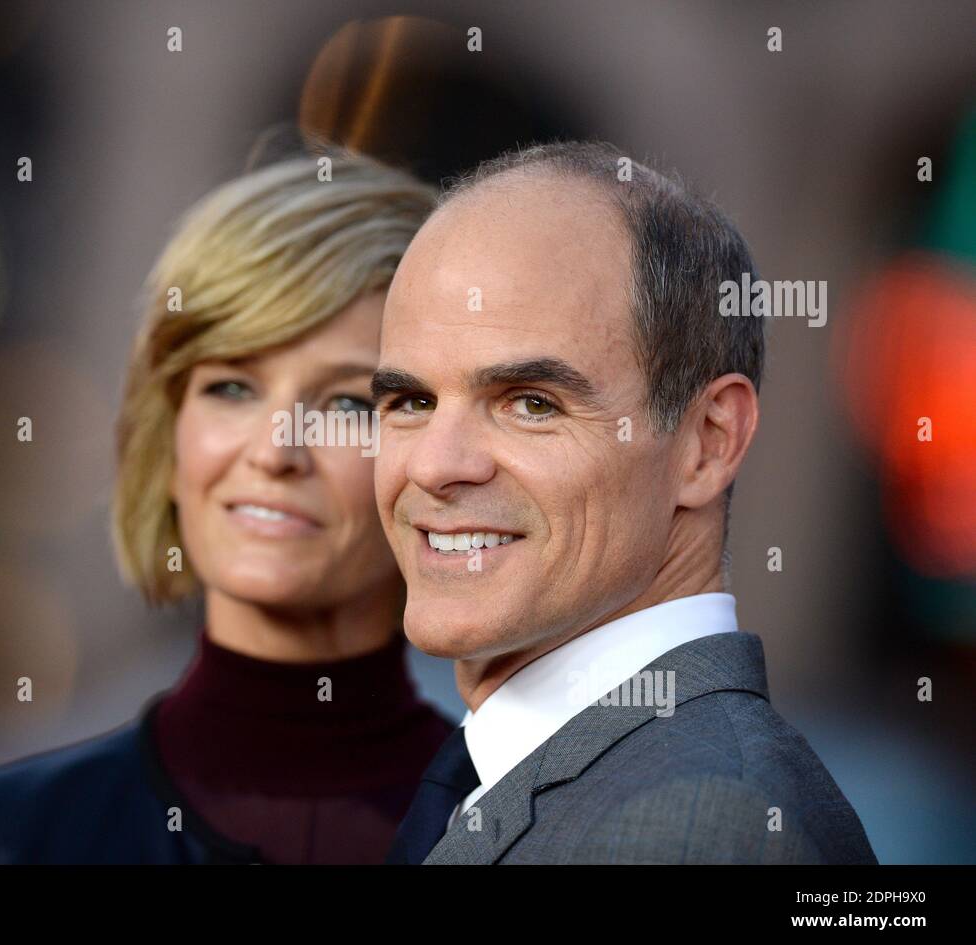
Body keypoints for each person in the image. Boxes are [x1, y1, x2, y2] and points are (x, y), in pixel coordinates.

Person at [0, 150, 454, 864]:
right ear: (170, 435)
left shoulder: (543, 835)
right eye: (232, 388)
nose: (275, 450)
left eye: (346, 403)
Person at [375, 140, 878, 864]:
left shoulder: (698, 828)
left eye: (530, 403)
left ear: (707, 443)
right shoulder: (542, 777)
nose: (433, 464)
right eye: (411, 400)